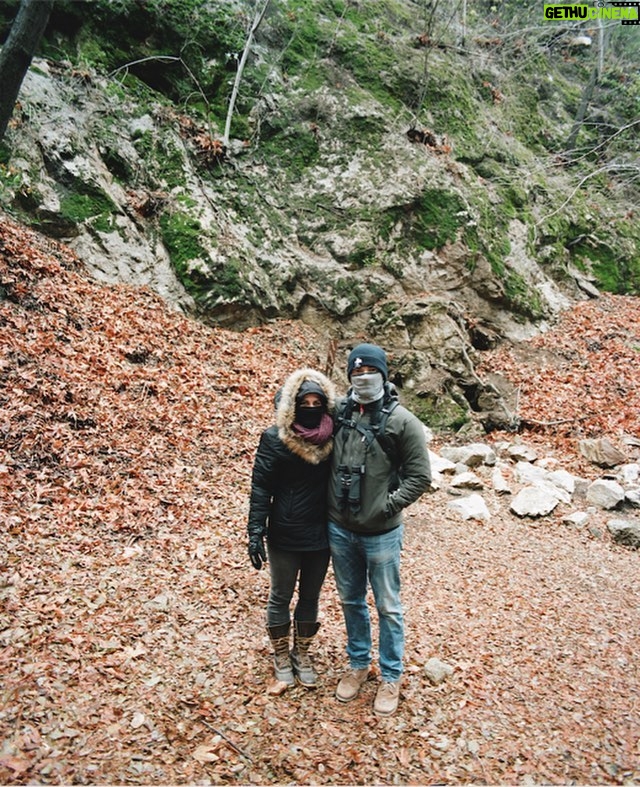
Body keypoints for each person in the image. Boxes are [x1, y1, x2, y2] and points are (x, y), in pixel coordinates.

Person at [328, 343, 431, 716]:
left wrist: (387, 506)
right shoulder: (338, 411)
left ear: (383, 375)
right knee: (350, 600)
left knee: (388, 606)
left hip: (383, 533)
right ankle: (358, 663)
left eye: (369, 372)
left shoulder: (403, 422)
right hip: (339, 528)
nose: (363, 378)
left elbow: (420, 477)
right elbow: (300, 420)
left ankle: (391, 674)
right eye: (356, 373)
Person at [247, 368, 336, 689]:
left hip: (321, 533)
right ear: (293, 405)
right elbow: (261, 486)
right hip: (284, 532)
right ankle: (281, 654)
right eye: (305, 402)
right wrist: (255, 530)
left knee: (310, 596)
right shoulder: (274, 438)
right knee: (281, 595)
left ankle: (303, 653)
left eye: (317, 402)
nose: (311, 407)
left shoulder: (333, 436)